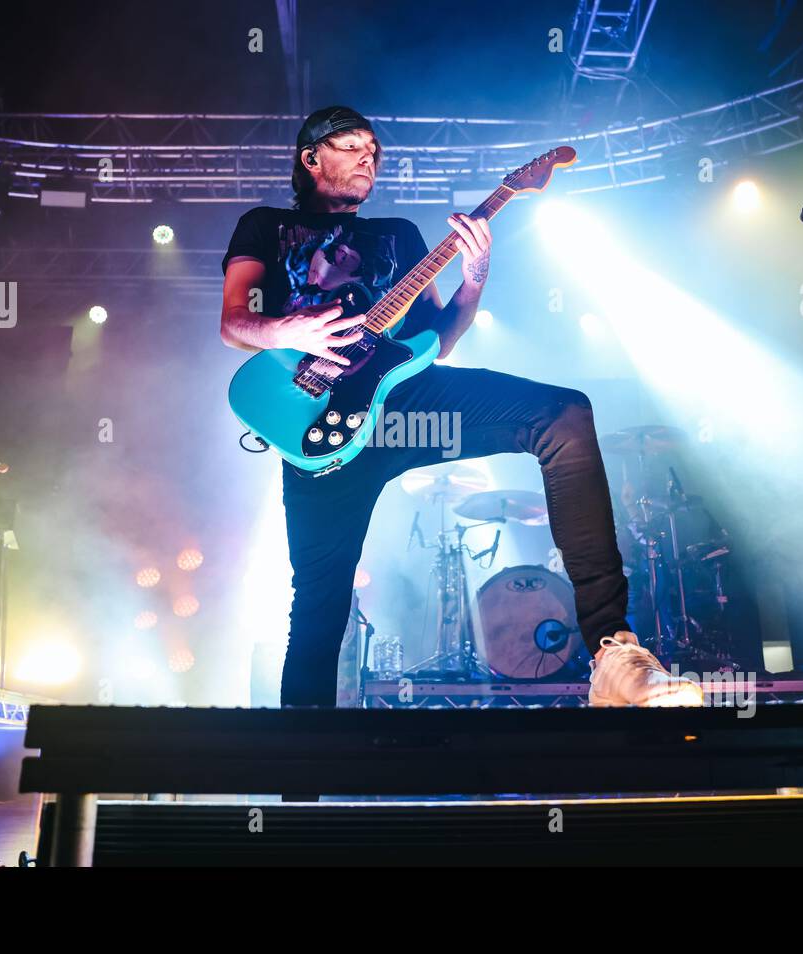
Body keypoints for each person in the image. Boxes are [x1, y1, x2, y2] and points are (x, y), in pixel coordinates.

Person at [220, 105, 703, 708]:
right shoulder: (264, 225)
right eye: (350, 145)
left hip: (407, 408)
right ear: (310, 157)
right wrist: (294, 332)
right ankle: (298, 791)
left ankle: (613, 652)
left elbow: (438, 340)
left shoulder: (398, 236)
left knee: (564, 416)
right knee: (319, 606)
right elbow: (235, 323)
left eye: (374, 146)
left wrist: (474, 278)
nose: (369, 154)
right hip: (317, 423)